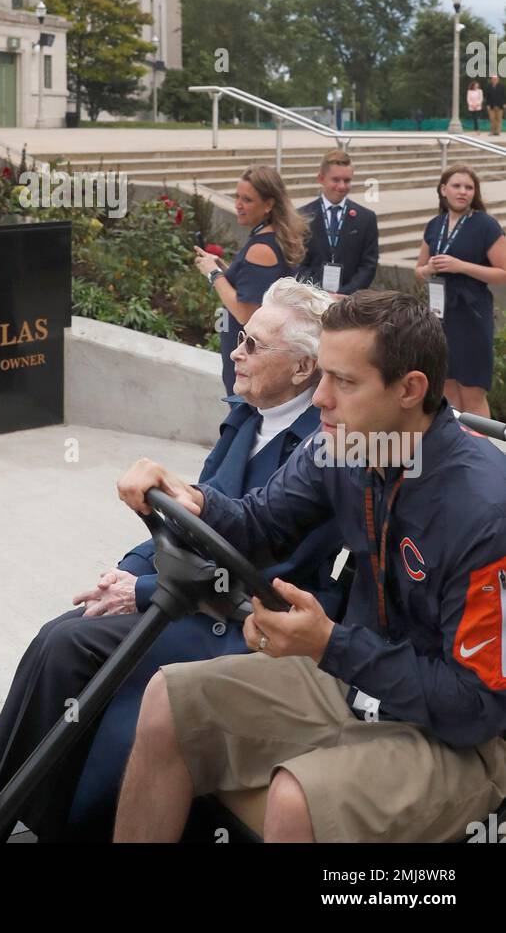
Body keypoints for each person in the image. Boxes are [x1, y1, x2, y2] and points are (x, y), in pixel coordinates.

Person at [114, 290, 506, 844]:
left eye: (343, 382)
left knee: (295, 801)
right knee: (168, 701)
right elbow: (257, 525)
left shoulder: (484, 510)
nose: (319, 399)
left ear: (410, 390)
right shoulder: (340, 448)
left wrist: (329, 644)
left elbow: (475, 707)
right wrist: (190, 497)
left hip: (460, 737)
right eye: (321, 375)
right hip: (357, 682)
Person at [0, 279, 343, 841]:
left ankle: (28, 821)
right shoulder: (248, 417)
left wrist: (141, 593)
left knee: (68, 644)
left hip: (250, 624)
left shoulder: (322, 447)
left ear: (302, 368)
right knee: (62, 635)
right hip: (199, 597)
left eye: (255, 345)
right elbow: (190, 520)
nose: (235, 352)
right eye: (241, 337)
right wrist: (128, 571)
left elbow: (267, 572)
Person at [194, 165, 308, 396]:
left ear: (268, 204)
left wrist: (213, 274)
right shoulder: (269, 237)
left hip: (250, 360)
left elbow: (245, 312)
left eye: (247, 199)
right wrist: (225, 269)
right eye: (237, 196)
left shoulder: (261, 248)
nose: (238, 204)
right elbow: (257, 286)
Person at [414, 165, 506, 416]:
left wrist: (461, 266)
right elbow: (418, 271)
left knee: (472, 391)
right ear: (444, 190)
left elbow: (503, 273)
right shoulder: (435, 224)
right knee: (446, 388)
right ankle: (454, 450)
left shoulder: (485, 225)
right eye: (457, 186)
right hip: (439, 314)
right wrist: (429, 268)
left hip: (472, 315)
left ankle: (482, 452)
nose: (463, 192)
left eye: (469, 187)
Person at [297, 149, 378, 297]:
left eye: (347, 180)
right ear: (321, 178)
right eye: (335, 180)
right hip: (312, 299)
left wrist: (344, 294)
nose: (341, 186)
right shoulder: (302, 216)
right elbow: (297, 261)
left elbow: (368, 265)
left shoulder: (366, 218)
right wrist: (319, 293)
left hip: (348, 301)